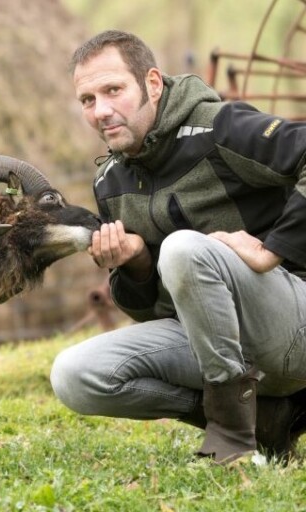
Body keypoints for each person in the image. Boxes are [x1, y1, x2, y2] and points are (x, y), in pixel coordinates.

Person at [50, 29, 306, 465]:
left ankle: (231, 434)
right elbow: (155, 311)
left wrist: (272, 250)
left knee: (183, 248)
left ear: (152, 83)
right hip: (216, 344)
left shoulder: (221, 129)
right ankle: (261, 419)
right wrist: (137, 264)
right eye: (88, 100)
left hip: (293, 327)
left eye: (113, 90)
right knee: (74, 376)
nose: (102, 111)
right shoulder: (109, 182)